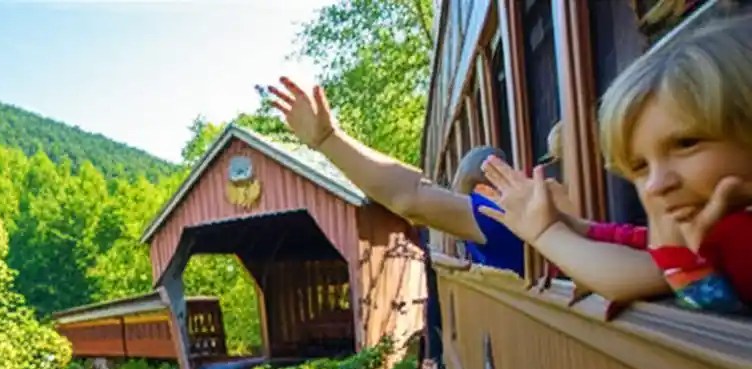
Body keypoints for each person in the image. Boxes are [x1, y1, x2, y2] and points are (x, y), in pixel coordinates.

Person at [267, 79, 667, 302]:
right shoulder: (524, 227)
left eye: (555, 168)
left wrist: (328, 142)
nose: (544, 176)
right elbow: (412, 198)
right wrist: (327, 141)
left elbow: (413, 199)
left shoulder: (552, 232)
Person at [478, 12, 752, 313]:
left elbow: (640, 276)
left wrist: (545, 233)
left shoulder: (738, 234)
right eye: (640, 167)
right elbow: (638, 241)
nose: (657, 184)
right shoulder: (718, 224)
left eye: (686, 144)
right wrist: (574, 225)